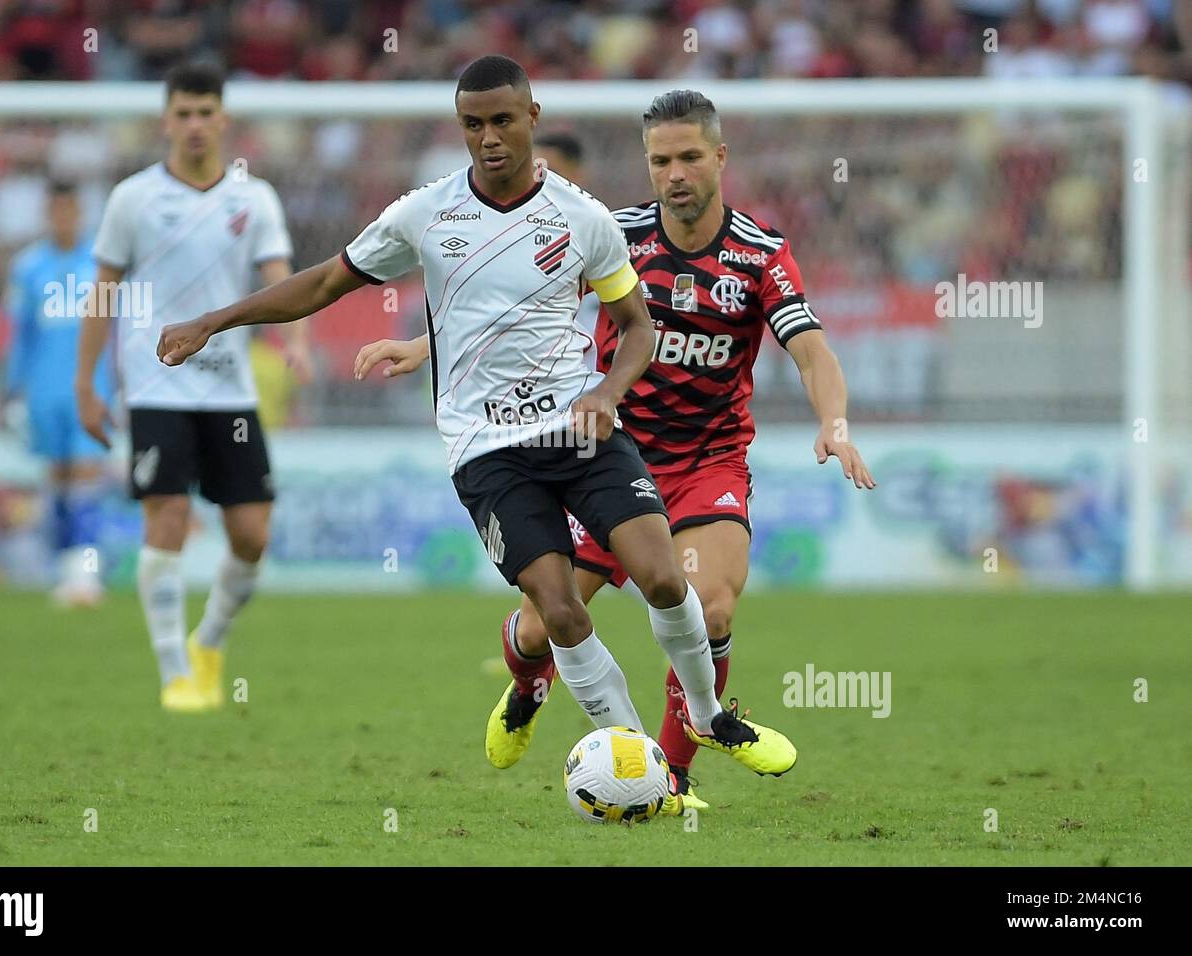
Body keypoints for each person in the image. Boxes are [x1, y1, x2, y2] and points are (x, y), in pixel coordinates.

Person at [155, 56, 796, 797]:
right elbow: (327, 282)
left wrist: (609, 391)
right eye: (471, 124)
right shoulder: (422, 214)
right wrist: (216, 319)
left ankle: (711, 716)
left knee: (661, 576)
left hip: (580, 432)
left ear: (532, 117)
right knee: (557, 611)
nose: (487, 137)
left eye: (500, 120)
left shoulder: (582, 218)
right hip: (488, 452)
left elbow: (636, 326)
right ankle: (641, 770)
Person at [357, 90, 875, 809]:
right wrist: (423, 347)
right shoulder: (612, 233)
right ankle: (529, 679)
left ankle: (673, 774)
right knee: (545, 625)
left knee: (708, 606)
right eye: (661, 160)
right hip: (602, 454)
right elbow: (514, 307)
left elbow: (813, 352)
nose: (675, 173)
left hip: (706, 464)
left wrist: (836, 423)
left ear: (719, 158)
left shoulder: (760, 255)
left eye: (690, 156)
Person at [75, 60, 312, 713]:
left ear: (223, 118)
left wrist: (293, 341)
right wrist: (87, 385)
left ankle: (208, 641)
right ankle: (174, 670)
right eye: (184, 113)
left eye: (206, 112)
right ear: (166, 120)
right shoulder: (133, 198)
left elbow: (278, 280)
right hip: (156, 386)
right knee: (168, 520)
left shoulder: (253, 198)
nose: (196, 124)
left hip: (230, 391)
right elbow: (102, 294)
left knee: (252, 536)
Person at [5, 179, 109, 607]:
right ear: (48, 214)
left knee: (87, 475)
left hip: (91, 387)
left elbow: (117, 329)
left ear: (80, 213)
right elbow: (22, 334)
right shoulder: (28, 267)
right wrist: (13, 390)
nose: (63, 219)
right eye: (56, 211)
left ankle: (86, 576)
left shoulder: (102, 262)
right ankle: (67, 571)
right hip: (45, 391)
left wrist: (119, 385)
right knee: (57, 480)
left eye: (70, 210)